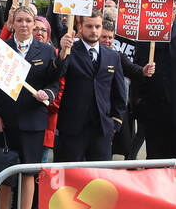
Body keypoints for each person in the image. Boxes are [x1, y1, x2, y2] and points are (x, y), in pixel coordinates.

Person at [0, 3, 59, 209]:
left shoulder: (47, 52)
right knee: (5, 174)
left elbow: (55, 83)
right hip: (4, 122)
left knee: (28, 174)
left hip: (33, 122)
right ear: (13, 23)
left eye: (29, 21)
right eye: (20, 20)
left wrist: (47, 92)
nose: (24, 25)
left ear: (35, 23)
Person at [51, 10, 150, 164]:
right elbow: (56, 76)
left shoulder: (113, 56)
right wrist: (63, 52)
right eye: (89, 26)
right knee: (69, 179)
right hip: (72, 129)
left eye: (97, 26)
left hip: (102, 130)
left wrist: (115, 123)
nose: (94, 30)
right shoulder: (70, 51)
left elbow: (119, 94)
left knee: (100, 180)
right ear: (80, 26)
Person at [133, 15, 176, 159]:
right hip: (154, 108)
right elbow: (137, 67)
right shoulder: (144, 33)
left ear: (175, 10)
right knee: (155, 158)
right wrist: (138, 99)